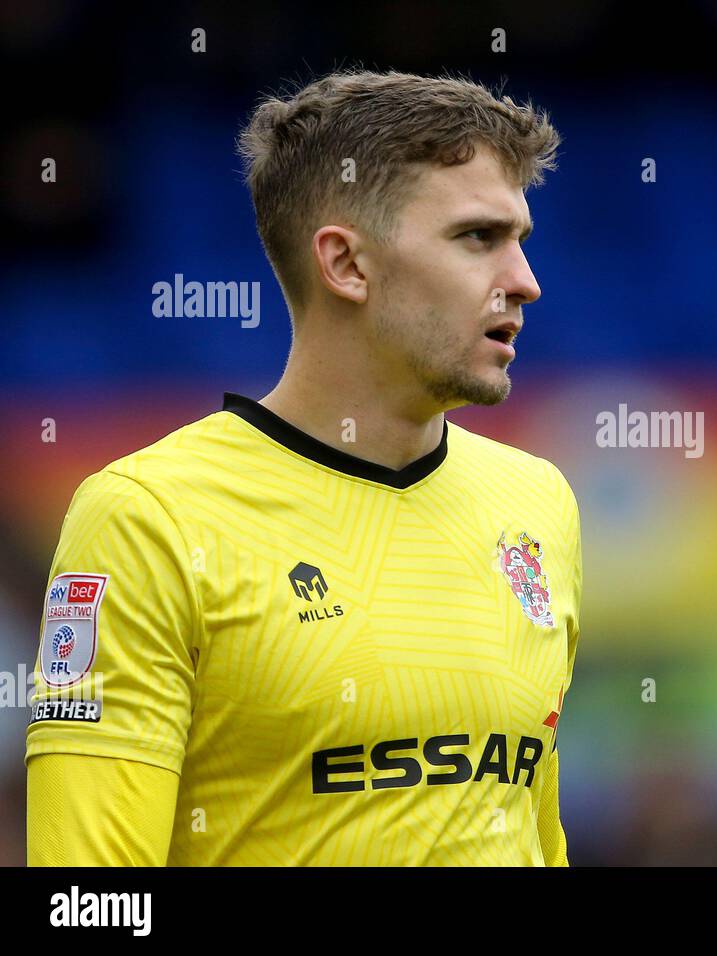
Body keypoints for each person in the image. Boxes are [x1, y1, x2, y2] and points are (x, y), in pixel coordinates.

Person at [26, 70, 580, 866]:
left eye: (520, 240)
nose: (525, 282)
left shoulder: (538, 503)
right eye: (477, 238)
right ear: (346, 264)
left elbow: (535, 838)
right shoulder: (149, 518)